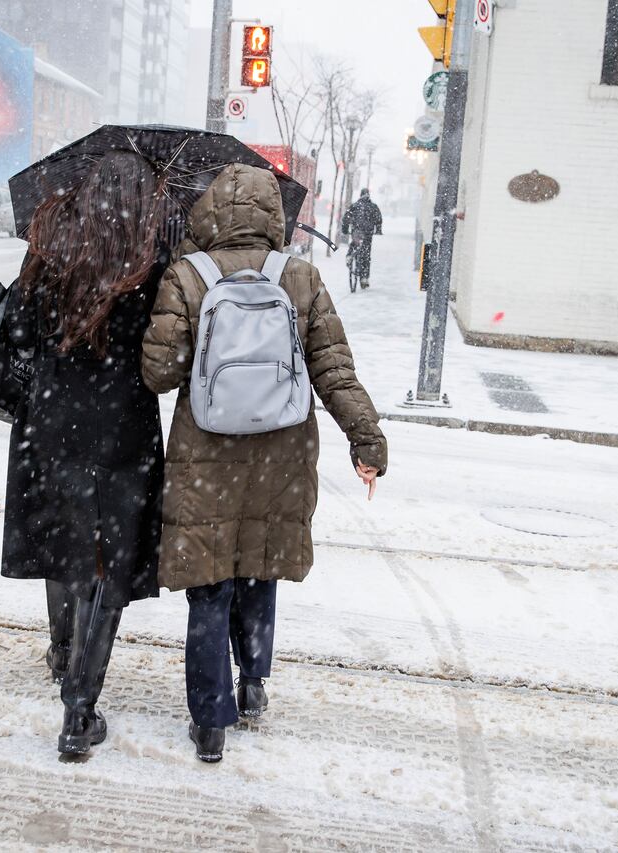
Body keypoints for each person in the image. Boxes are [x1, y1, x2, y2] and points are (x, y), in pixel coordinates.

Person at [141, 164, 387, 763]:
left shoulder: (187, 275)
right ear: (274, 214)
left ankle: (210, 722)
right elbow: (334, 369)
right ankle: (252, 685)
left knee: (209, 583)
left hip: (205, 454)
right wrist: (367, 441)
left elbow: (159, 373)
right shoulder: (299, 276)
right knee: (258, 568)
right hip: (283, 452)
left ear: (208, 213)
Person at [1, 151, 168, 756]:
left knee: (63, 530)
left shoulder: (47, 249)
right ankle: (79, 708)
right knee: (106, 560)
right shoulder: (149, 263)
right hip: (121, 425)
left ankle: (62, 649)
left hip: (51, 418)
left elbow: (18, 333)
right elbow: (162, 354)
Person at [341, 188, 383, 287]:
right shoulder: (373, 206)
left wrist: (345, 230)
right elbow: (379, 219)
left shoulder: (354, 206)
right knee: (366, 255)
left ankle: (350, 255)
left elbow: (346, 218)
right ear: (368, 196)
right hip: (368, 233)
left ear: (360, 195)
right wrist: (378, 230)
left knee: (354, 243)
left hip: (357, 231)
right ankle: (364, 278)